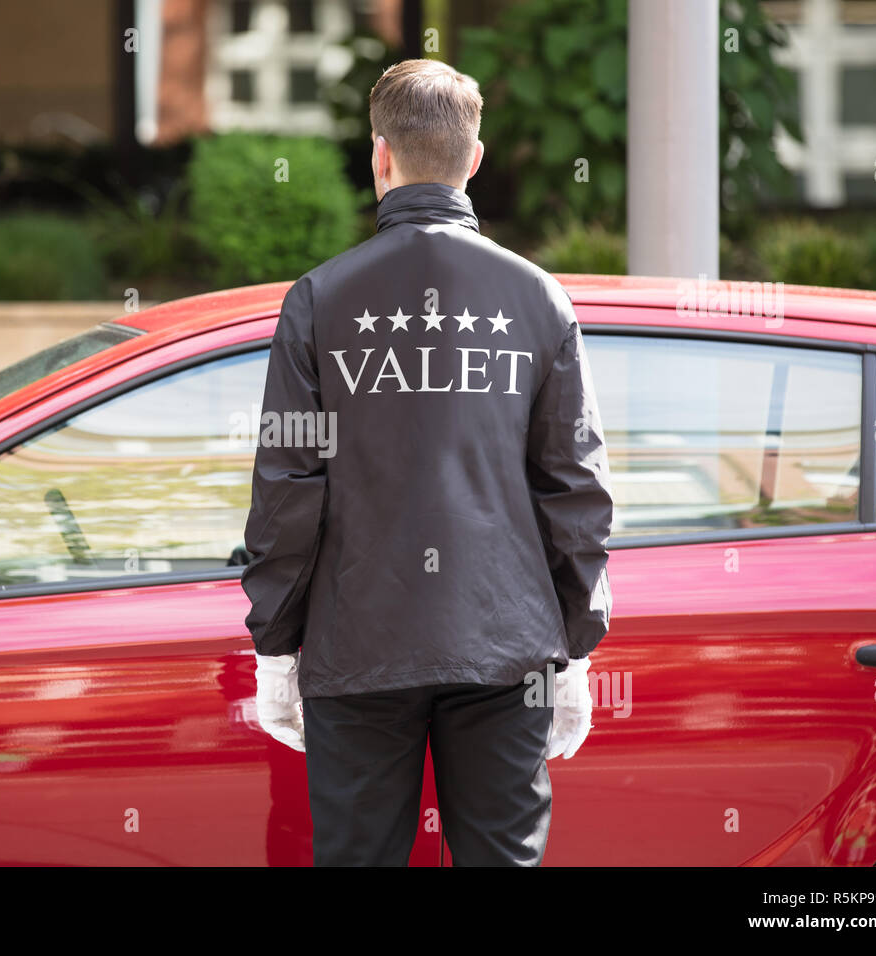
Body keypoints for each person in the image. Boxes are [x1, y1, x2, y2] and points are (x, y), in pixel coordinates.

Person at [241, 58, 613, 866]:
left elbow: (288, 486)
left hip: (360, 643)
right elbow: (574, 485)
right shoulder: (539, 297)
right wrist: (578, 645)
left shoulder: (319, 298)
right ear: (473, 160)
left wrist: (275, 643)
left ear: (380, 155)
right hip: (507, 643)